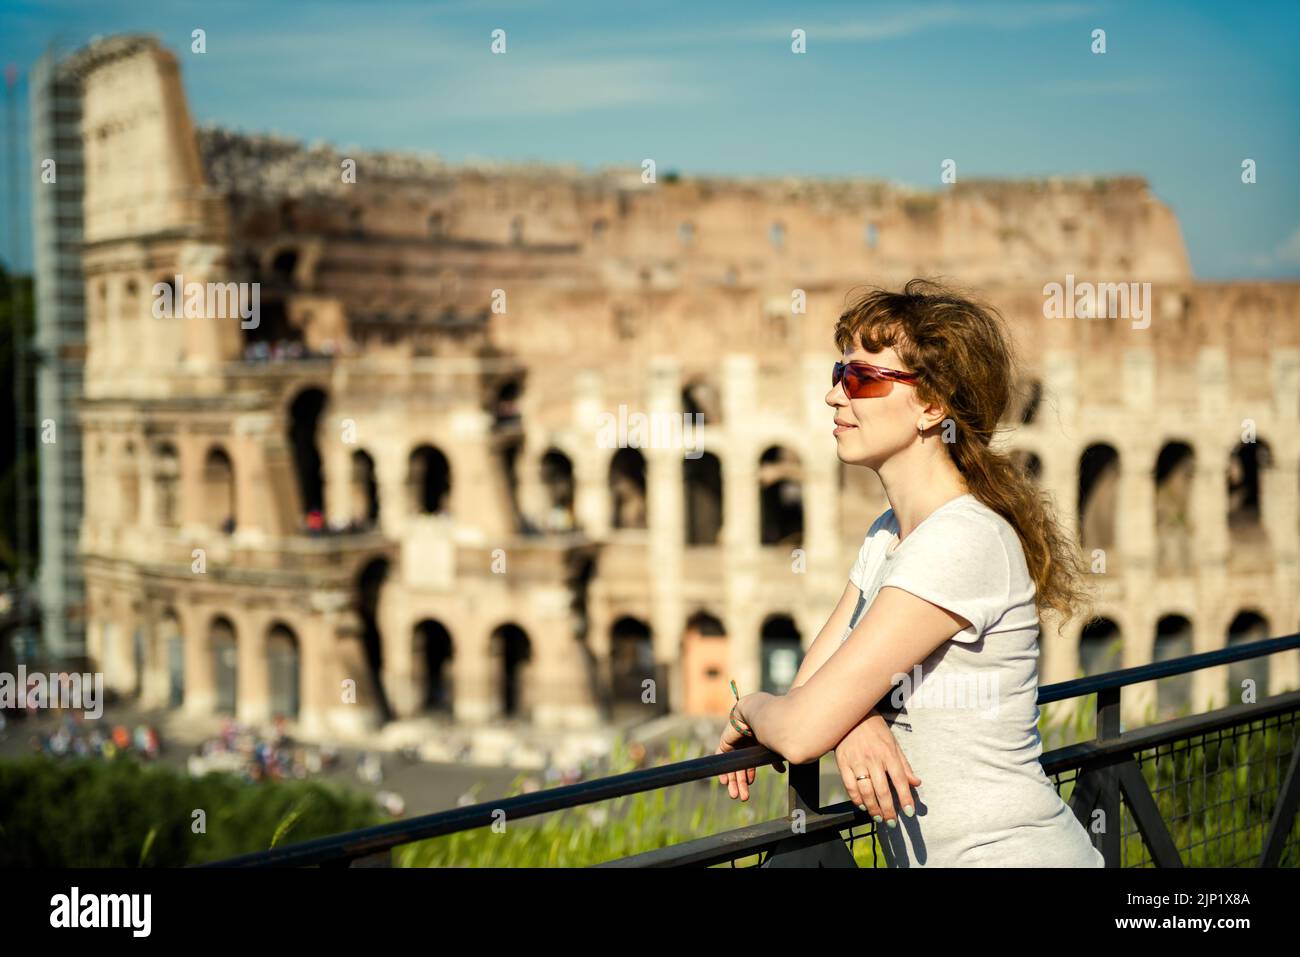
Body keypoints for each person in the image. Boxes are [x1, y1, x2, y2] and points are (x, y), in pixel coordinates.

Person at [718, 279, 1103, 867]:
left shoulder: (962, 541)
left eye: (863, 379)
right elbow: (810, 692)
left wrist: (750, 708)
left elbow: (796, 731)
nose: (835, 397)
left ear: (932, 406)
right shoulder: (886, 535)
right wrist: (853, 721)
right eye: (837, 373)